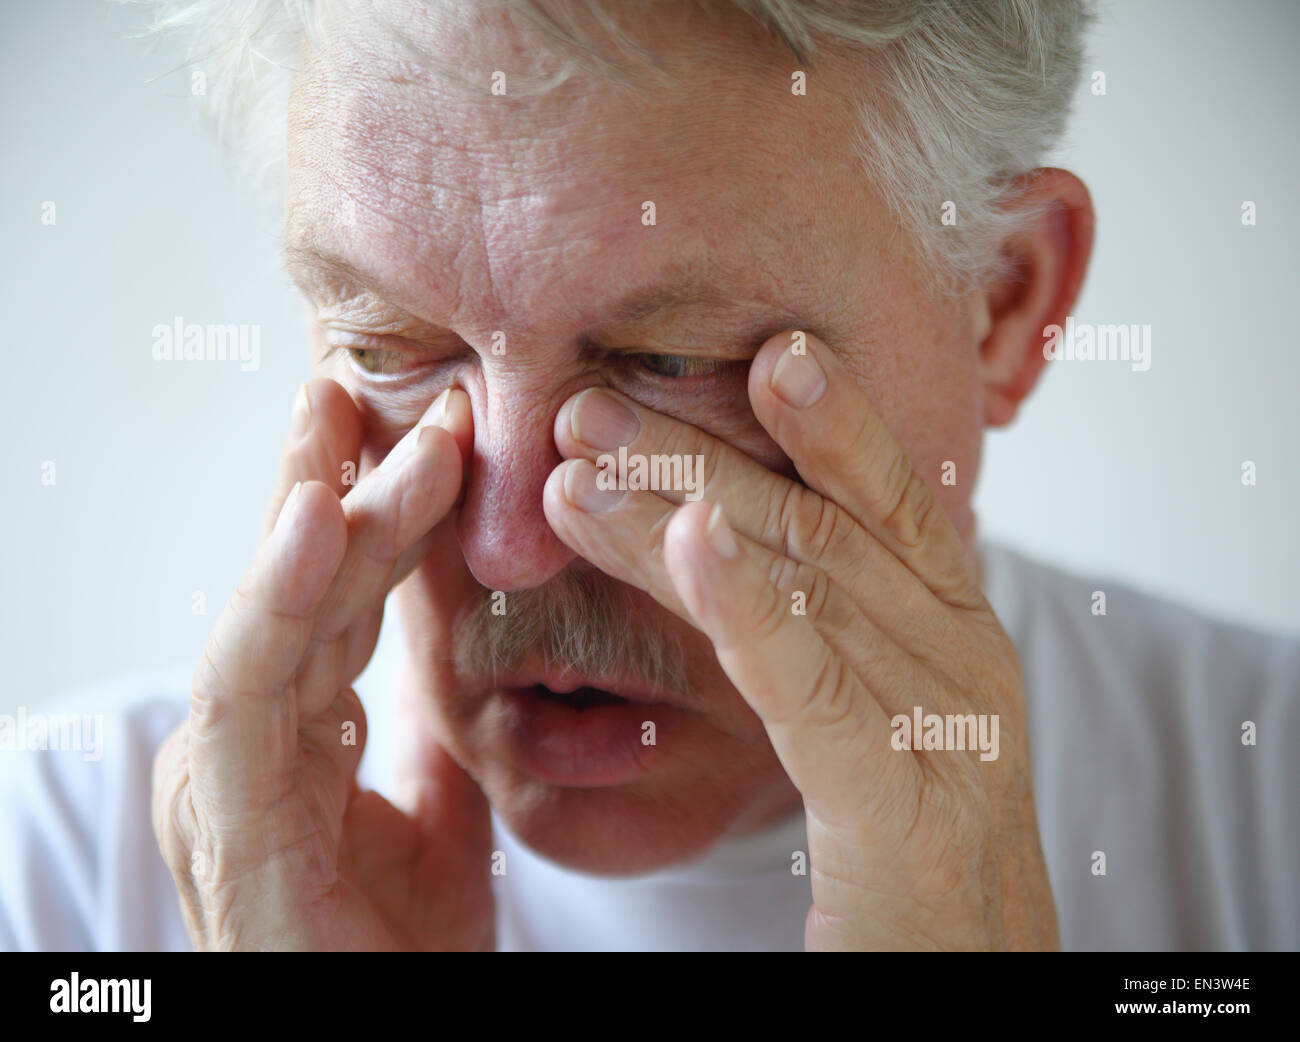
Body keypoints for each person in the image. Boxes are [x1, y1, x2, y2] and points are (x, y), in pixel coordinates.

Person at [2, 0, 1296, 951]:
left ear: (1004, 306)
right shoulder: (55, 874)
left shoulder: (1266, 821)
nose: (512, 543)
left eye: (669, 360)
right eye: (392, 346)